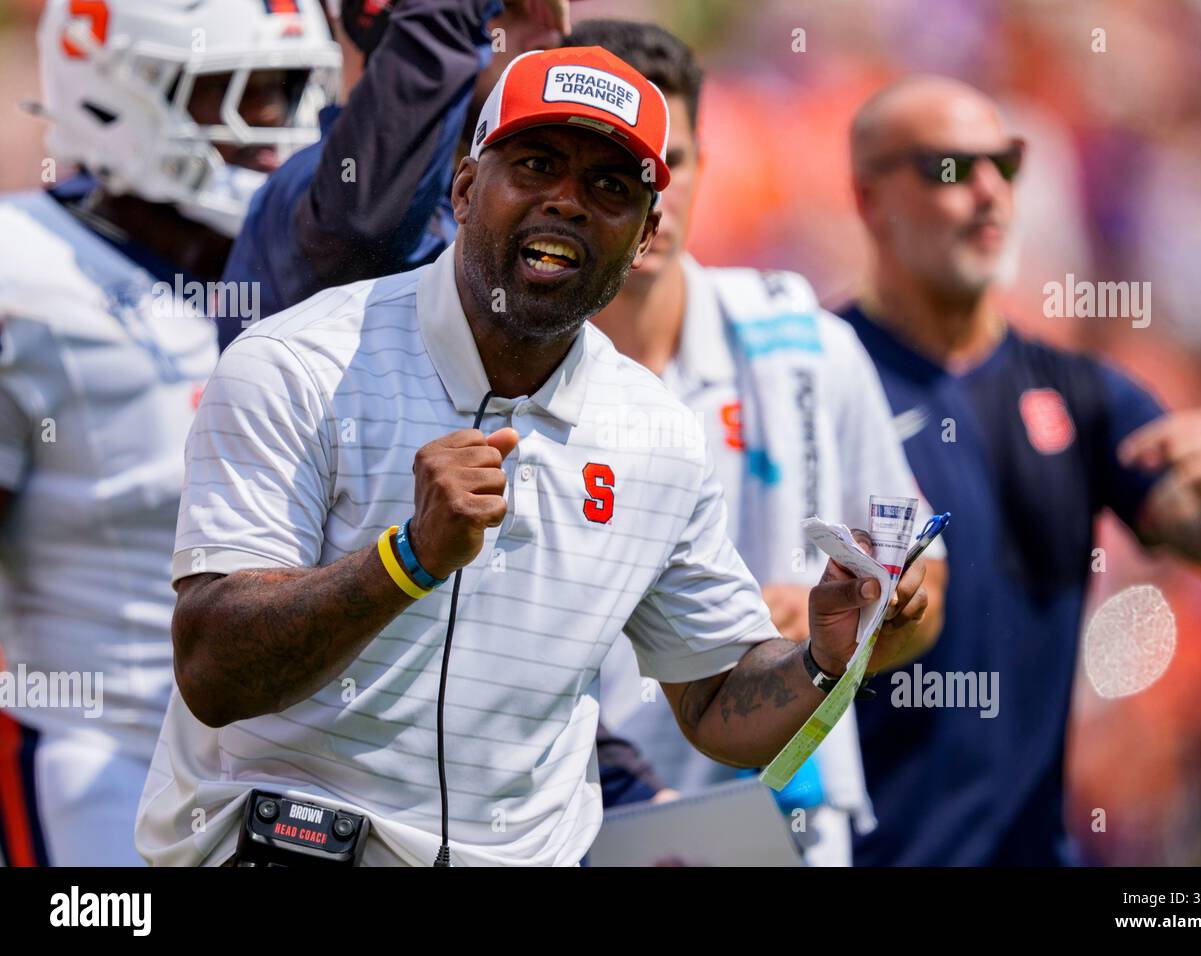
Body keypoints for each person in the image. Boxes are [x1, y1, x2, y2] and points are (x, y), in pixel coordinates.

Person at [134, 46, 931, 867]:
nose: (568, 202)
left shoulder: (657, 435)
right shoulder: (298, 362)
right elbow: (213, 668)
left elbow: (719, 699)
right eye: (537, 163)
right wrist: (406, 560)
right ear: (467, 187)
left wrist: (828, 656)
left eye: (610, 187)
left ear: (647, 233)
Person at [838, 75, 1201, 865]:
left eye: (1005, 165)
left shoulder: (1079, 394)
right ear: (871, 198)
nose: (988, 193)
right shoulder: (812, 375)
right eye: (950, 169)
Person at [563, 20, 947, 866]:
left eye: (675, 162)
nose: (652, 195)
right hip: (572, 827)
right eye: (618, 168)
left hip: (787, 827)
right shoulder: (515, 369)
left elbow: (926, 596)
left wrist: (868, 617)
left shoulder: (806, 344)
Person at [0, 0, 339, 865]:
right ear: (115, 95)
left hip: (300, 783)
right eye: (229, 89)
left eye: (286, 86)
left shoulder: (310, 271)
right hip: (104, 768)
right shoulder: (27, 276)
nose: (274, 126)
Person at [217, 0, 570, 348]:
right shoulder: (315, 185)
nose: (550, 32)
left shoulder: (450, 185)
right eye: (506, 5)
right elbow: (363, 223)